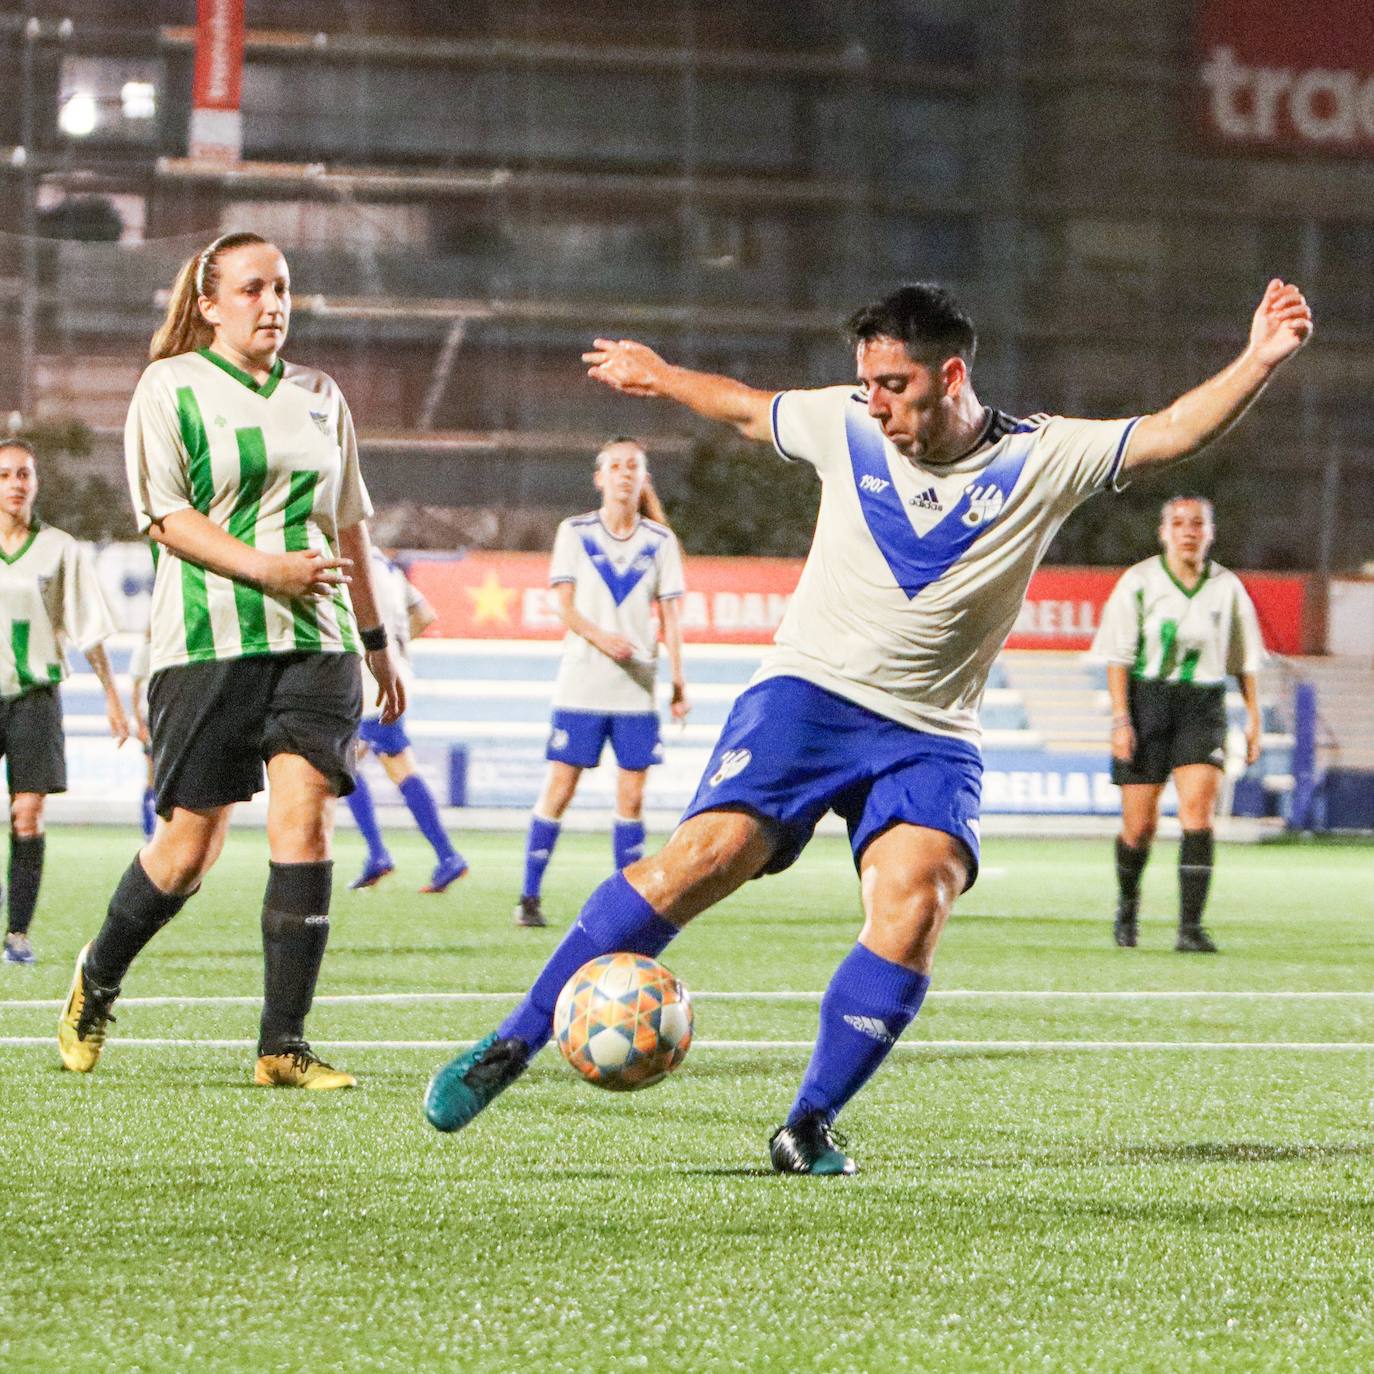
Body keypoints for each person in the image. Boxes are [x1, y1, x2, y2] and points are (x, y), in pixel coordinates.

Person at [425, 277, 1312, 1174]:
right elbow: (742, 408)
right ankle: (513, 1042)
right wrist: (658, 374)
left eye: (893, 385)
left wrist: (1259, 359)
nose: (874, 402)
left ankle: (806, 1123)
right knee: (701, 858)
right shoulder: (843, 421)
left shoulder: (1045, 456)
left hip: (931, 731)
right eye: (868, 382)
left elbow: (1173, 431)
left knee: (916, 901)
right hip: (808, 695)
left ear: (950, 375)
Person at [57, 230, 404, 1088]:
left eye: (282, 289)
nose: (273, 305)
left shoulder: (323, 395)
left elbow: (349, 528)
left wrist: (376, 640)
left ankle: (281, 1045)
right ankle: (97, 977)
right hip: (205, 643)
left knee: (306, 818)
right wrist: (265, 569)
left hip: (316, 640)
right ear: (209, 304)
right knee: (187, 851)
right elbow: (167, 517)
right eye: (252, 290)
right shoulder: (169, 387)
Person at [513, 438, 689, 929]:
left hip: (636, 690)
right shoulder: (574, 532)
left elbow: (671, 616)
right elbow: (563, 606)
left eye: (634, 465)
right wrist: (602, 638)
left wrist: (678, 681)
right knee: (560, 790)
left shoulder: (660, 542)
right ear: (599, 477)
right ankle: (528, 896)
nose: (624, 474)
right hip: (582, 686)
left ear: (643, 477)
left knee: (631, 799)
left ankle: (624, 910)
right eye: (615, 466)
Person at [1093, 496, 1266, 953]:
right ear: (1163, 532)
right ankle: (1127, 907)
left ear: (1210, 532)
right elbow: (1117, 658)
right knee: (1138, 828)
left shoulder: (1227, 587)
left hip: (1202, 704)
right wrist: (1120, 719)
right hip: (1147, 700)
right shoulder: (1140, 581)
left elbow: (1244, 661)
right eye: (1179, 523)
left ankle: (1190, 928)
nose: (1189, 531)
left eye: (1198, 524)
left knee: (1197, 813)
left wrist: (1254, 718)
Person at [0, 439, 128, 964]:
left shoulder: (60, 548)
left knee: (26, 815)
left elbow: (89, 627)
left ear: (36, 483)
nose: (15, 484)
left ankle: (17, 934)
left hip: (33, 697)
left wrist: (112, 696)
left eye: (24, 474)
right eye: (5, 474)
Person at [345, 544, 469, 893]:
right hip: (392, 674)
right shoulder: (385, 563)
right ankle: (430, 856)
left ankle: (419, 854)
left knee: (349, 763)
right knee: (364, 763)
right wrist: (394, 650)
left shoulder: (344, 558)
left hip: (371, 682)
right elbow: (424, 614)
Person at [128, 626, 157, 839]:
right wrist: (140, 724)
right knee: (153, 776)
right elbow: (136, 691)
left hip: (166, 717)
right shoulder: (146, 651)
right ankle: (150, 828)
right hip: (152, 719)